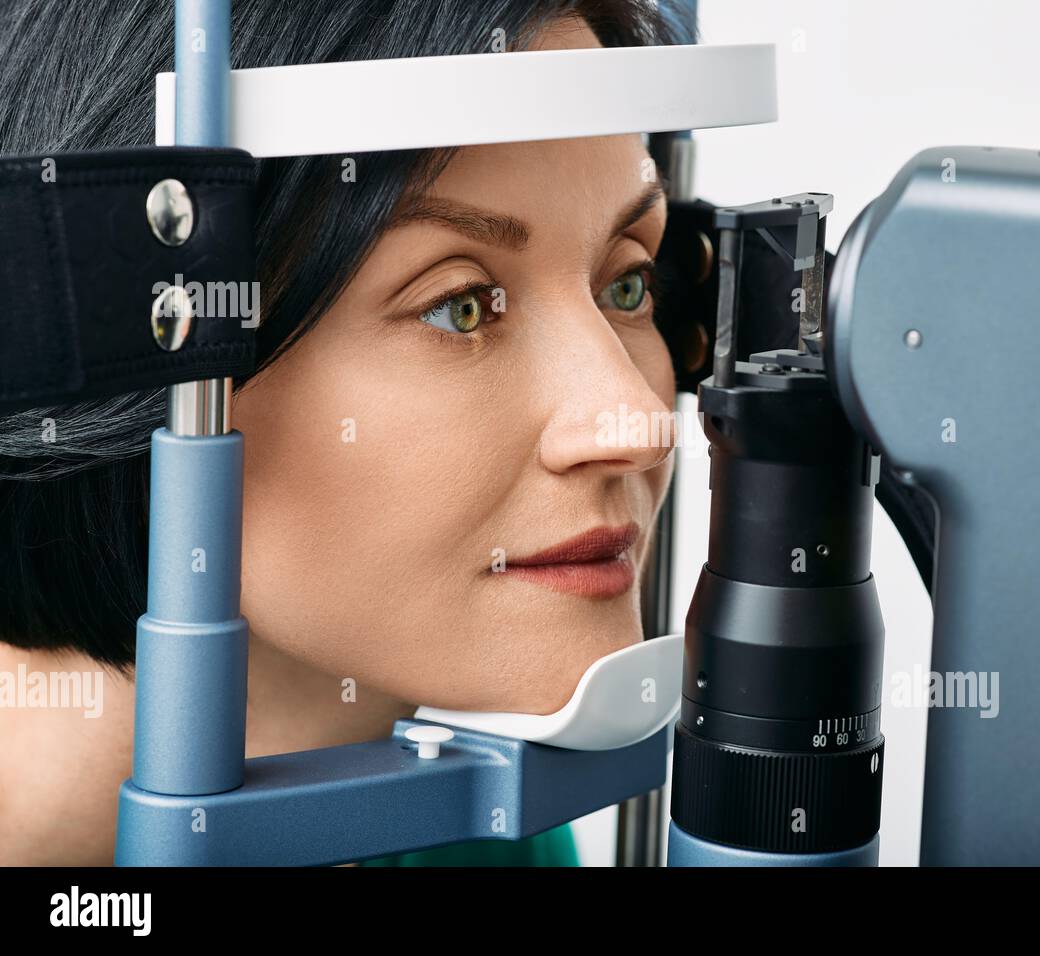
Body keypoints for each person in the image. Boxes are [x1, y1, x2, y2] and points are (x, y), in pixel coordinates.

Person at [0, 0, 690, 866]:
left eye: (626, 283)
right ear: (143, 343)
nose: (637, 421)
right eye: (460, 305)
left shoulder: (471, 827)